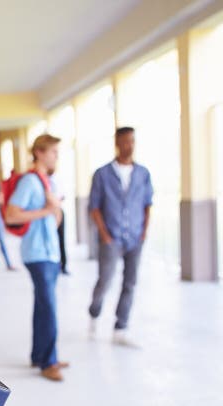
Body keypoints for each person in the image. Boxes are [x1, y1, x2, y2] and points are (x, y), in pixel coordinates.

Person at [5, 134, 69, 382]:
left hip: (50, 252)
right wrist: (47, 209)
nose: (56, 157)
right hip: (37, 254)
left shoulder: (47, 183)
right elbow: (11, 215)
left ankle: (40, 355)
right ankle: (49, 362)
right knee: (49, 307)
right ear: (40, 152)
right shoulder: (31, 182)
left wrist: (54, 209)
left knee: (43, 306)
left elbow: (55, 221)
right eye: (53, 152)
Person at [88, 126, 153, 347]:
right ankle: (94, 312)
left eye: (132, 141)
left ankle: (120, 327)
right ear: (117, 142)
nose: (129, 145)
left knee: (130, 282)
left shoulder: (143, 173)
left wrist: (144, 231)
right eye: (125, 141)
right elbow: (94, 207)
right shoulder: (102, 174)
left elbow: (147, 204)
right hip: (111, 237)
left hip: (135, 237)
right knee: (105, 280)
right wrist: (105, 235)